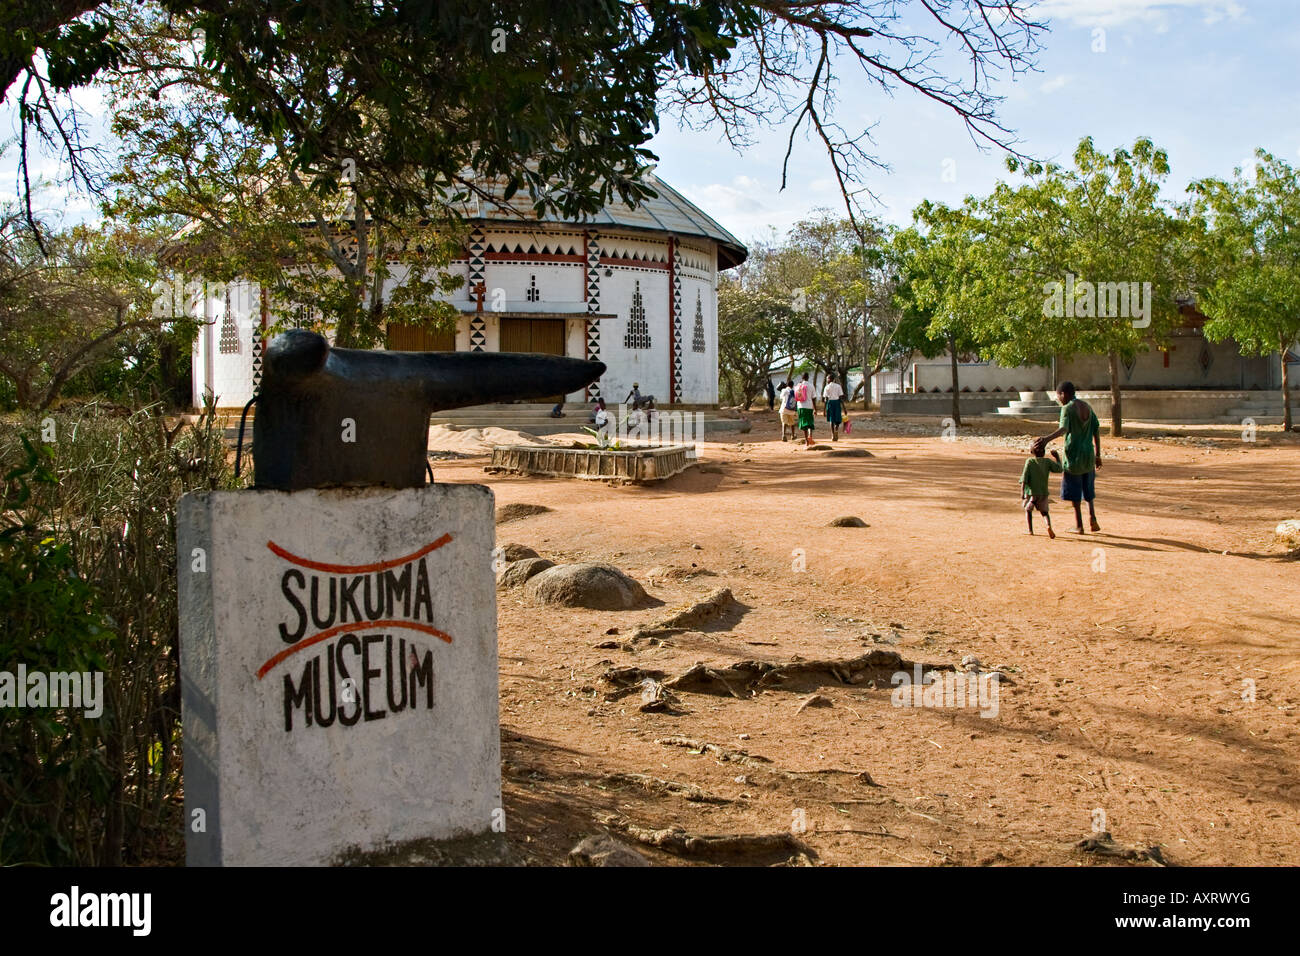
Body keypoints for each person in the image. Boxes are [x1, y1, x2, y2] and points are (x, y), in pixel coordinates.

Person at [1032, 381, 1102, 534]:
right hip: (1088, 455)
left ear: (1064, 394)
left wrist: (1046, 439)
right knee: (1088, 490)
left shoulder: (1067, 408)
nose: (1059, 400)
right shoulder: (1087, 407)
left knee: (1074, 492)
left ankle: (1079, 525)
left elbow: (1063, 429)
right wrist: (1098, 454)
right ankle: (1093, 518)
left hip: (1073, 456)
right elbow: (1096, 430)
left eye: (1058, 397)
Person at [1020, 445, 1063, 538]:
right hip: (1043, 492)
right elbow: (1059, 469)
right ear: (1044, 453)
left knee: (1028, 510)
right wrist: (1057, 457)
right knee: (1044, 512)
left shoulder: (1030, 461)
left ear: (1032, 452)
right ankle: (1048, 525)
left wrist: (1022, 491)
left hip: (1031, 493)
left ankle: (1030, 530)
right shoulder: (1047, 462)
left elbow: (1024, 478)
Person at [794, 372, 817, 447]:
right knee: (810, 422)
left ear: (802, 377)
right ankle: (810, 436)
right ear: (808, 377)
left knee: (804, 424)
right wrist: (815, 408)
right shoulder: (811, 385)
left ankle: (806, 440)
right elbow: (814, 398)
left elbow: (796, 397)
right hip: (809, 406)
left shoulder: (798, 385)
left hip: (801, 406)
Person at [822, 375, 845, 441]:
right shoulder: (838, 386)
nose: (826, 380)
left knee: (831, 419)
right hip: (837, 403)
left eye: (827, 379)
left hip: (830, 403)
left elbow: (825, 399)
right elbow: (841, 398)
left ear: (829, 379)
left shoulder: (827, 387)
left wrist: (824, 410)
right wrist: (844, 408)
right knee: (838, 418)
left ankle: (832, 434)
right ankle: (836, 430)